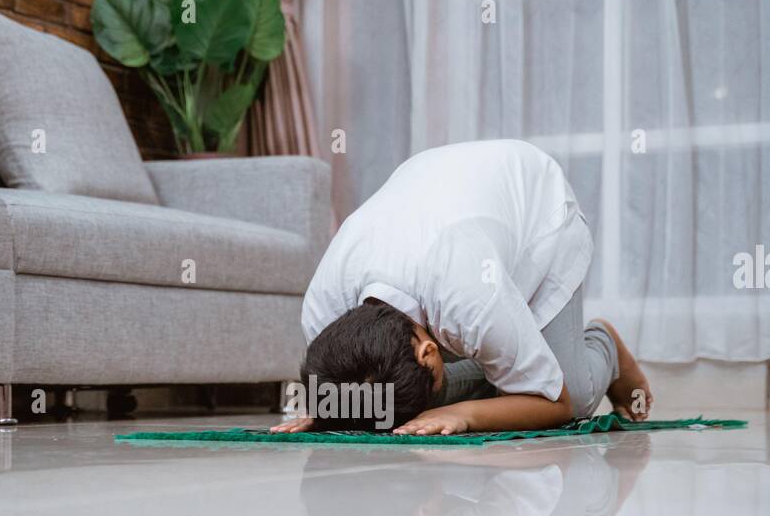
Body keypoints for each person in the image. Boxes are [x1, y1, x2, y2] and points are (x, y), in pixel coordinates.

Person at [274, 139, 651, 435]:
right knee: (404, 399)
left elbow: (555, 402)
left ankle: (604, 343)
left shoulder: (471, 297)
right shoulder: (324, 312)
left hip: (539, 210)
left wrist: (465, 414)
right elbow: (362, 385)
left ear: (428, 350)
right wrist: (336, 409)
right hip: (443, 191)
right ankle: (497, 365)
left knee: (578, 398)